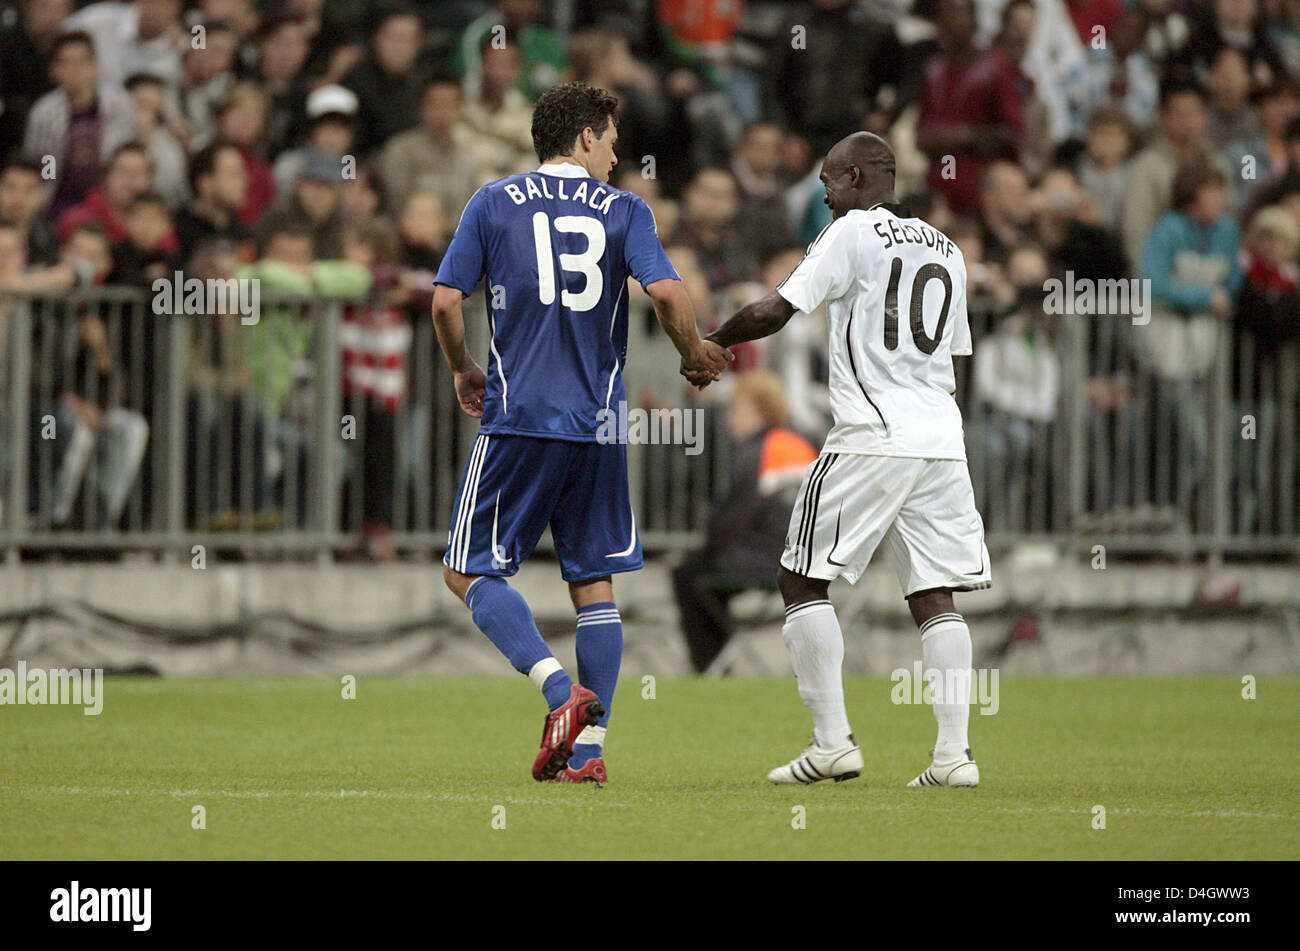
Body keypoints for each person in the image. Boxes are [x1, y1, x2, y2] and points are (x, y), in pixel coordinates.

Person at [432, 81, 731, 784]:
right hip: (598, 422)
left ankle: (559, 690)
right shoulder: (627, 211)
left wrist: (464, 366)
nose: (618, 153)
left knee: (466, 567)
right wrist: (693, 353)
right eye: (613, 139)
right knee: (593, 583)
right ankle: (590, 754)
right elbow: (665, 292)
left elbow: (446, 300)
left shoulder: (492, 201)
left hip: (522, 416)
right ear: (586, 137)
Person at [698, 131, 989, 788]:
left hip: (871, 433)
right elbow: (951, 354)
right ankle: (953, 756)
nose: (824, 194)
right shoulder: (947, 248)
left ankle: (832, 742)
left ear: (856, 176)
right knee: (934, 592)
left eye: (829, 180)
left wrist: (712, 343)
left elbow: (778, 307)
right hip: (940, 435)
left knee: (800, 577)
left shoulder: (853, 231)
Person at [672, 372, 818, 673]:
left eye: (737, 409)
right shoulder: (799, 443)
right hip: (809, 559)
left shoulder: (756, 452)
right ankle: (719, 665)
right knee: (705, 572)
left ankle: (711, 668)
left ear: (758, 411)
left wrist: (704, 551)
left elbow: (730, 520)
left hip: (769, 559)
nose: (729, 419)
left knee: (688, 573)